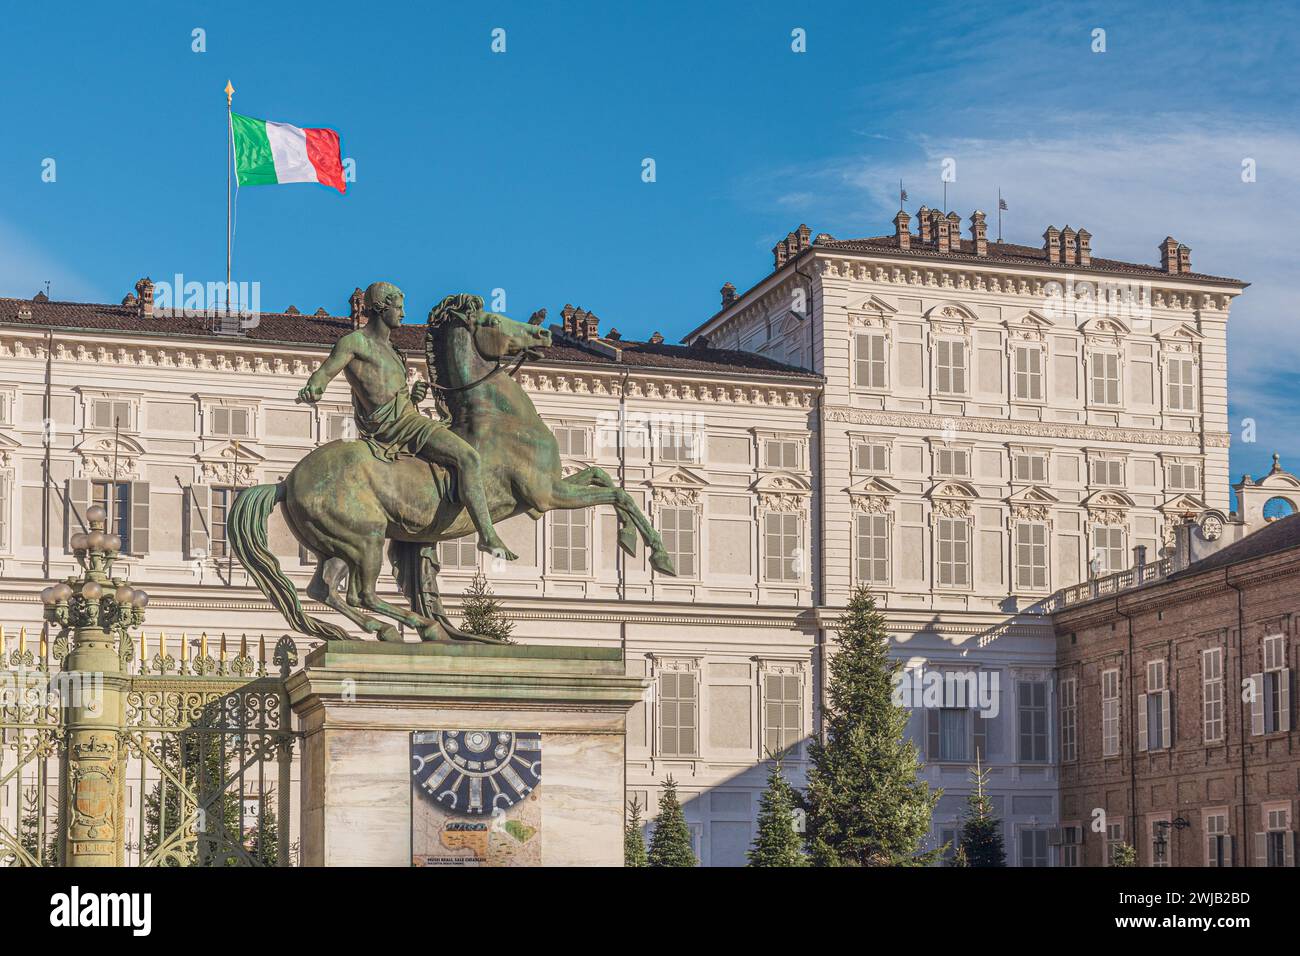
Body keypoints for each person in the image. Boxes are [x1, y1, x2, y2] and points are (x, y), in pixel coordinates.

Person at [297, 281, 515, 560]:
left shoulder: (394, 350)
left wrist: (413, 397)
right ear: (380, 308)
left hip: (408, 416)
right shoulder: (354, 342)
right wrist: (315, 386)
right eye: (398, 307)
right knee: (469, 458)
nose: (403, 313)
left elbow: (387, 391)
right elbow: (326, 371)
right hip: (396, 427)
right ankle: (487, 536)